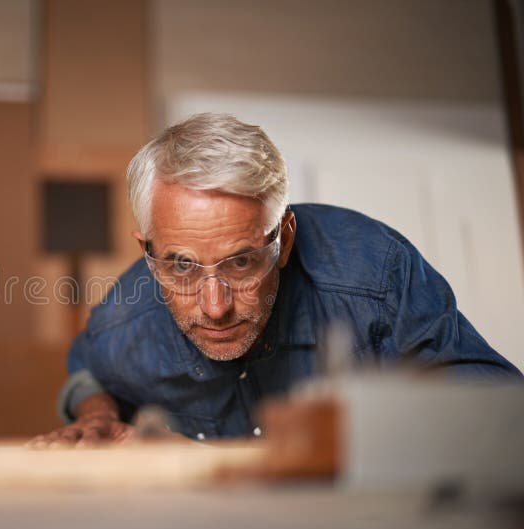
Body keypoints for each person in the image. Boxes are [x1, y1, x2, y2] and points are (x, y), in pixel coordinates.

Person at [28, 113, 520, 448]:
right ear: (147, 250)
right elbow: (87, 370)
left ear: (284, 239)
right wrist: (97, 416)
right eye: (181, 266)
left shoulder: (375, 274)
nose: (216, 307)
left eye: (241, 263)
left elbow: (504, 416)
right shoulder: (122, 320)